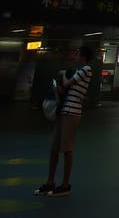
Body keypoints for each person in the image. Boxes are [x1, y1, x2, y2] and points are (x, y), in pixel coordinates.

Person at [34, 45, 94, 197]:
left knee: (67, 149)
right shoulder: (77, 71)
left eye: (78, 54)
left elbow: (66, 84)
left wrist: (63, 76)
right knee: (54, 149)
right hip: (63, 111)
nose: (75, 56)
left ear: (84, 56)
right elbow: (62, 90)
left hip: (72, 112)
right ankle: (50, 183)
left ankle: (65, 185)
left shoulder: (86, 70)